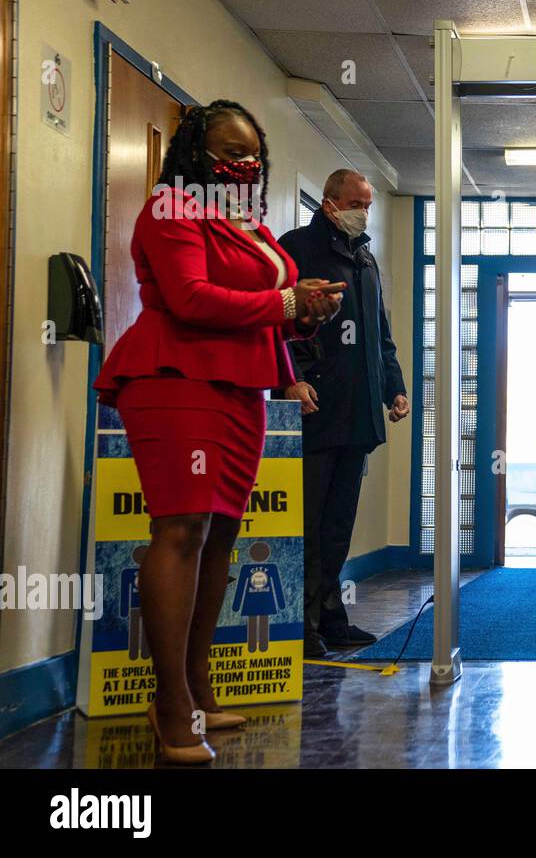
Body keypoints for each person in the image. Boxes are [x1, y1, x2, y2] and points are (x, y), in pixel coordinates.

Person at [94, 100, 343, 763]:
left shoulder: (247, 222)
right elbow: (191, 298)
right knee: (180, 530)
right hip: (178, 380)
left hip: (242, 388)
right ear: (195, 155)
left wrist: (303, 313)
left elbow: (264, 311)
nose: (247, 164)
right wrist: (287, 301)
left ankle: (198, 689)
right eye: (231, 153)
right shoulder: (170, 210)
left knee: (221, 535)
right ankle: (170, 703)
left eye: (254, 153)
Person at [280, 169, 409, 658]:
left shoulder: (365, 259)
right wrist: (290, 378)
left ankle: (332, 618)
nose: (363, 212)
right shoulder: (299, 248)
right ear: (330, 203)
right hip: (315, 408)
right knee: (309, 524)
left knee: (337, 524)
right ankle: (302, 625)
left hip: (358, 413)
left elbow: (380, 334)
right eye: (356, 202)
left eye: (368, 204)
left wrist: (393, 389)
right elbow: (277, 324)